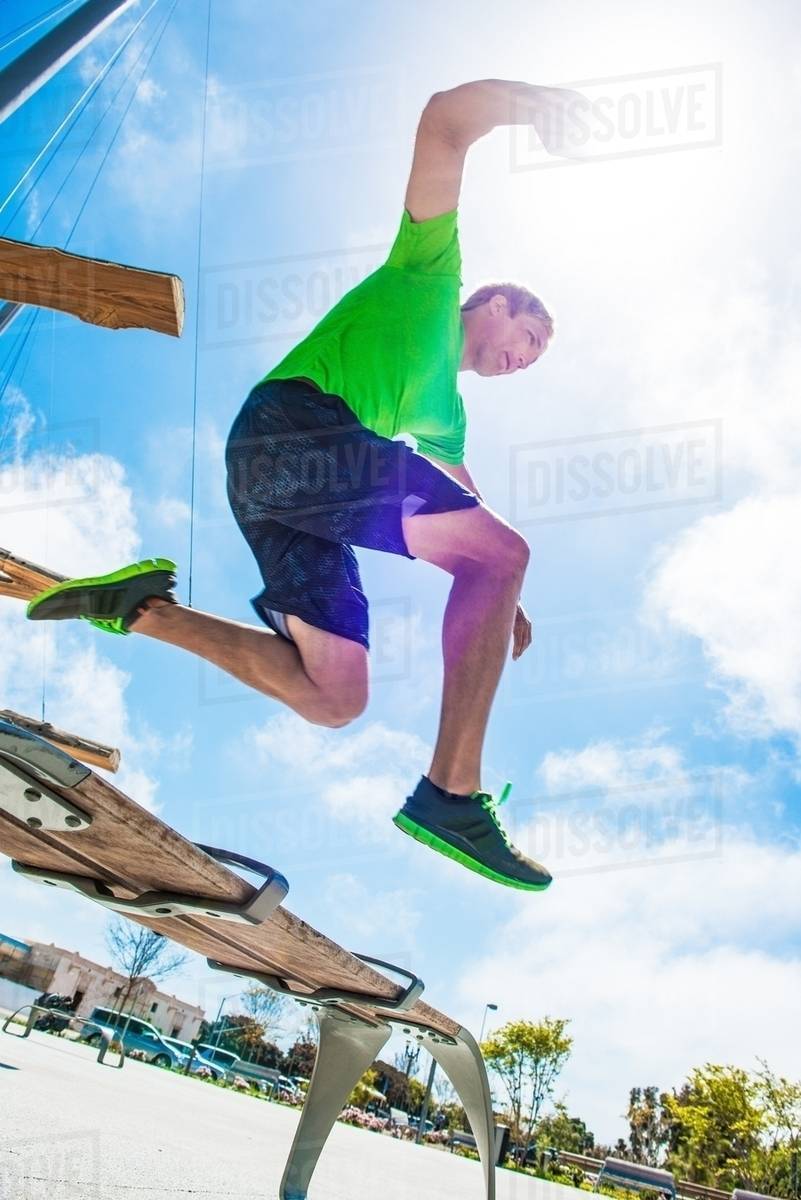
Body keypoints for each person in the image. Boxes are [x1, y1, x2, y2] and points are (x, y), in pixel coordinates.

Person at [28, 79, 583, 891]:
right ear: (492, 304)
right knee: (498, 555)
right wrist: (530, 104)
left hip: (277, 489)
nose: (520, 358)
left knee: (333, 696)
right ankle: (450, 794)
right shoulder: (426, 276)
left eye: (532, 360)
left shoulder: (445, 415)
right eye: (525, 337)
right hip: (290, 430)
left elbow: (471, 506)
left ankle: (140, 610)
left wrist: (508, 591)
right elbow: (443, 123)